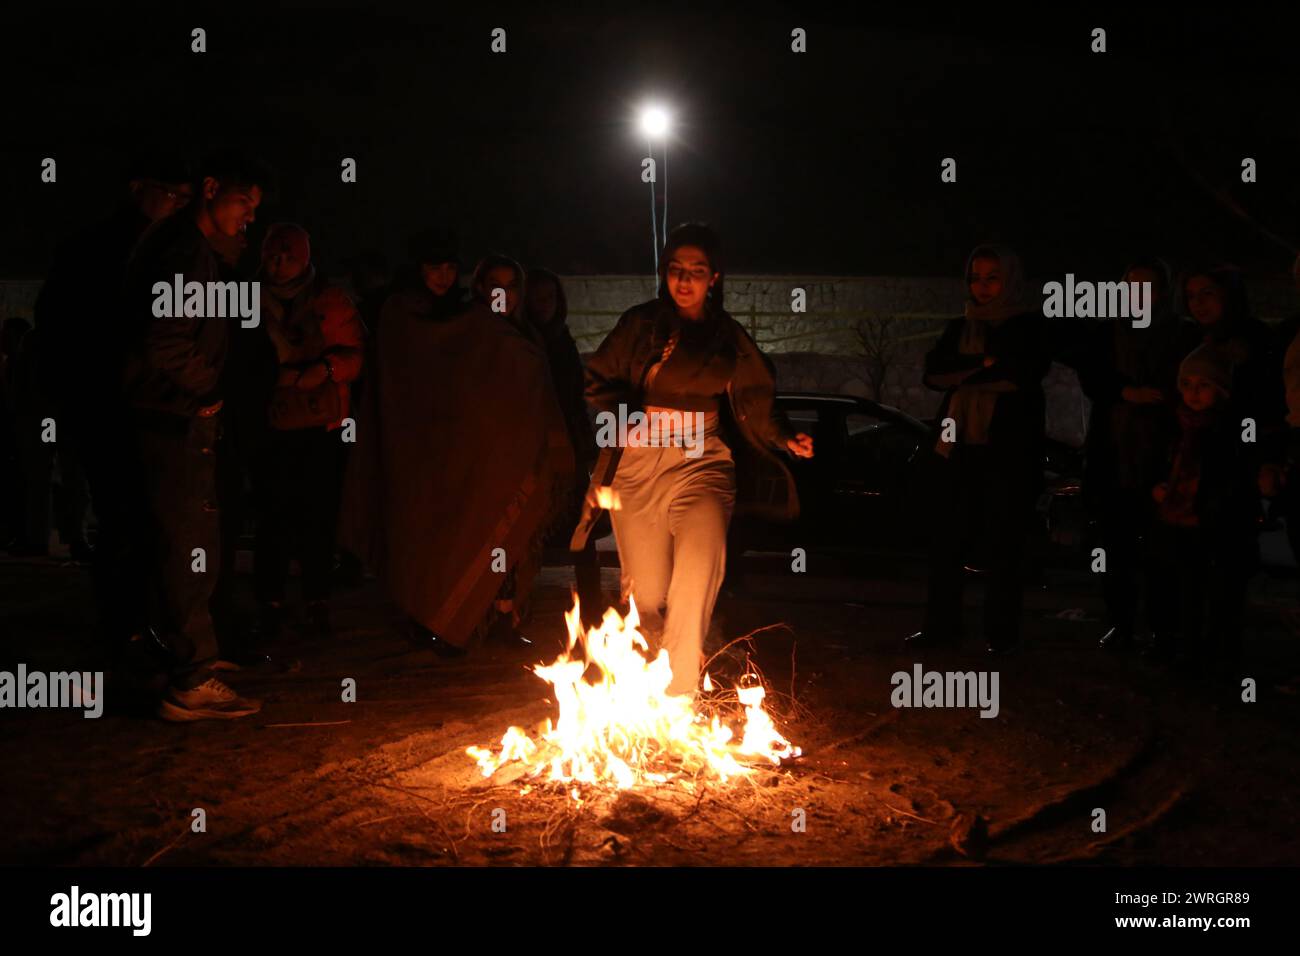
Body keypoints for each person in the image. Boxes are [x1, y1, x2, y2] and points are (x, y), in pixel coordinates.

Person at [584, 222, 813, 698]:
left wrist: (784, 436)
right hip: (640, 463)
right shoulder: (640, 324)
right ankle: (640, 685)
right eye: (676, 270)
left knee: (699, 562)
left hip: (701, 459)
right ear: (664, 274)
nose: (684, 281)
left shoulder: (727, 336)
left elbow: (755, 393)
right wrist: (626, 416)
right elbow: (597, 380)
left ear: (715, 278)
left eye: (697, 271)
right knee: (645, 592)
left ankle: (680, 694)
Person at [339, 231, 573, 656]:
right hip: (422, 450)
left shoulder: (497, 326)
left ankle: (499, 617)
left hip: (487, 458)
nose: (443, 276)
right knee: (427, 540)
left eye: (450, 267)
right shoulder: (406, 314)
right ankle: (430, 620)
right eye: (434, 267)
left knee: (495, 534)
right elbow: (407, 381)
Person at [121, 149, 272, 721]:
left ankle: (178, 659)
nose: (249, 218)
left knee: (180, 542)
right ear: (211, 188)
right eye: (244, 202)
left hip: (167, 414)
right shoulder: (183, 253)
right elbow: (165, 343)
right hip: (175, 418)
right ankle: (191, 678)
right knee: (189, 545)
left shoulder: (189, 250)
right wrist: (208, 390)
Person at [33, 155, 194, 628]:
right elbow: (61, 329)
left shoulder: (172, 250)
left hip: (145, 404)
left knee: (148, 519)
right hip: (107, 403)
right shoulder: (97, 250)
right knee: (123, 517)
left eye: (185, 198)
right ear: (137, 186)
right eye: (171, 194)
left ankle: (143, 621)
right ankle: (125, 627)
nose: (177, 205)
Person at [909, 243, 1051, 656]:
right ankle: (941, 628)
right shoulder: (960, 325)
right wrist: (984, 367)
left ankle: (1001, 637)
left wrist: (965, 373)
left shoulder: (1028, 326)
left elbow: (1022, 375)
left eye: (993, 277)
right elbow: (934, 373)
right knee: (946, 541)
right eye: (976, 277)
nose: (983, 286)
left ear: (1010, 281)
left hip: (1006, 451)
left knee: (1004, 545)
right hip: (956, 448)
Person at [1073, 258, 1199, 651]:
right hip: (1115, 453)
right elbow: (1093, 376)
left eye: (1146, 287)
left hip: (1163, 453)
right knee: (1116, 546)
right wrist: (1126, 393)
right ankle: (1121, 623)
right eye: (1130, 287)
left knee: (1164, 549)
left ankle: (1165, 627)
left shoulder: (1180, 335)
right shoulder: (1107, 333)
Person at [252, 223, 364, 642]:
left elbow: (357, 355)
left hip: (322, 427)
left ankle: (318, 598)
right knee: (273, 516)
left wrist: (325, 370)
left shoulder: (331, 301)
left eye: (288, 257)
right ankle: (271, 602)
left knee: (319, 517)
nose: (279, 265)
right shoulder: (247, 301)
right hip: (271, 425)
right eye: (273, 257)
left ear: (305, 259)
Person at [1145, 345, 1260, 685]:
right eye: (1188, 384)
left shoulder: (1229, 430)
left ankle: (1215, 658)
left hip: (1213, 525)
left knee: (1216, 594)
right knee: (1181, 588)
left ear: (1221, 389)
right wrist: (1160, 487)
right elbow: (1158, 461)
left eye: (1204, 385)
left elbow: (1235, 478)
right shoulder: (1175, 425)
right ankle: (1182, 649)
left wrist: (1210, 506)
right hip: (1176, 522)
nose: (1194, 393)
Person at [525, 267, 604, 624]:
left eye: (550, 298)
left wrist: (584, 446)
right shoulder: (524, 341)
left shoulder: (561, 339)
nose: (544, 306)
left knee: (582, 527)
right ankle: (513, 611)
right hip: (534, 449)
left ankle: (591, 606)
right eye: (537, 298)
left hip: (569, 448)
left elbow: (574, 400)